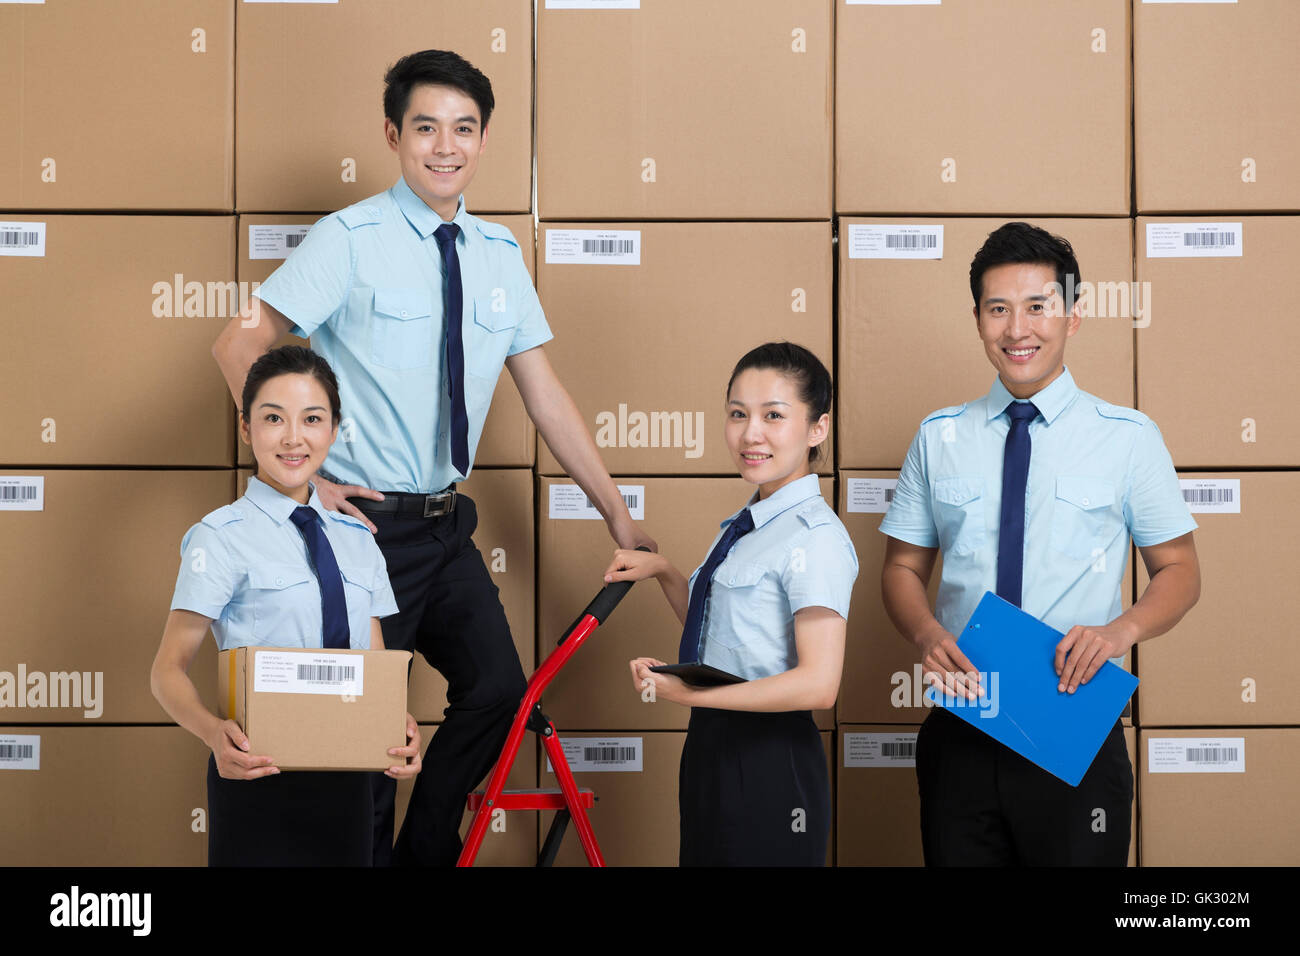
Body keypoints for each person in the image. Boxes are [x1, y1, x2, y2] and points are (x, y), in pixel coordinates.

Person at [211, 49, 654, 866]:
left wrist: (620, 515)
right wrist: (311, 484)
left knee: (496, 691)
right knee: (366, 731)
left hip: (447, 526)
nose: (444, 146)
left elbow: (545, 395)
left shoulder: (497, 255)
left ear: (484, 141)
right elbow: (240, 343)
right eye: (425, 128)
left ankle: (422, 855)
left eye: (463, 128)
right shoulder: (349, 240)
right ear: (393, 135)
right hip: (363, 529)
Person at [880, 222, 1201, 866]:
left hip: (1072, 718)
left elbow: (1180, 570)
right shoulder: (938, 437)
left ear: (1072, 316)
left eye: (1038, 307)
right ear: (977, 320)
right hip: (964, 721)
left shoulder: (1128, 438)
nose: (1017, 328)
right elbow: (901, 568)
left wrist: (1120, 632)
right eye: (998, 309)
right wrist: (924, 634)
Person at [151, 346, 422, 866]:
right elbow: (166, 671)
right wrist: (214, 735)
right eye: (273, 418)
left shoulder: (359, 540)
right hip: (256, 773)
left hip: (348, 780)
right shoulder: (220, 537)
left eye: (312, 419)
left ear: (334, 430)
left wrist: (399, 725)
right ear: (247, 429)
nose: (293, 437)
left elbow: (375, 668)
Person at [606, 342, 857, 866]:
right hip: (710, 751)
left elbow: (820, 684)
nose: (751, 434)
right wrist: (666, 572)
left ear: (817, 429)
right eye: (738, 414)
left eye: (773, 416)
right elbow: (723, 636)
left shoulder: (815, 538)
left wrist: (687, 695)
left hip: (770, 761)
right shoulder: (746, 527)